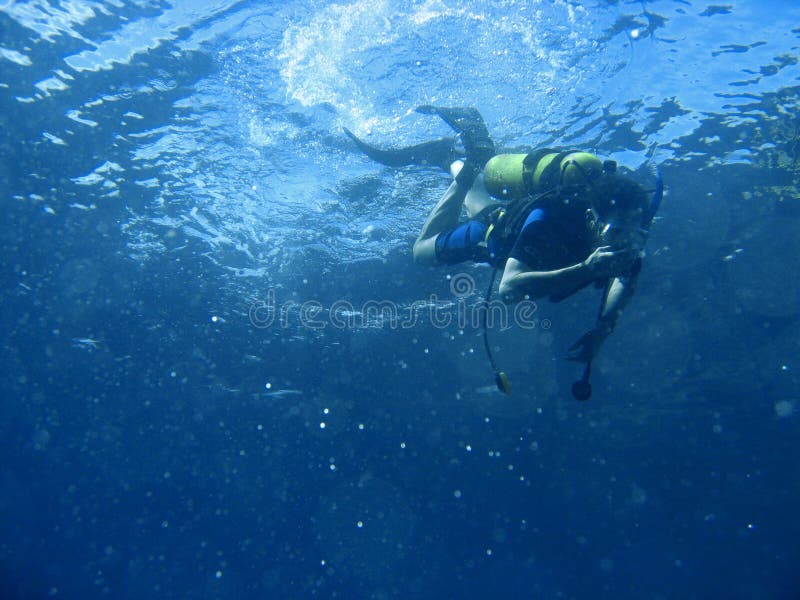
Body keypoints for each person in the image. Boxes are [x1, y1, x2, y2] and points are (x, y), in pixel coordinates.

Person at [345, 106, 661, 397]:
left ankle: (459, 160)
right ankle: (468, 163)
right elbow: (508, 289)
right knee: (422, 251)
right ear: (593, 218)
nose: (623, 243)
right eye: (615, 233)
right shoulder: (551, 219)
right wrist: (585, 270)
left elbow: (626, 274)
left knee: (478, 200)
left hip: (511, 222)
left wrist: (603, 331)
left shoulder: (625, 238)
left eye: (635, 234)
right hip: (495, 235)